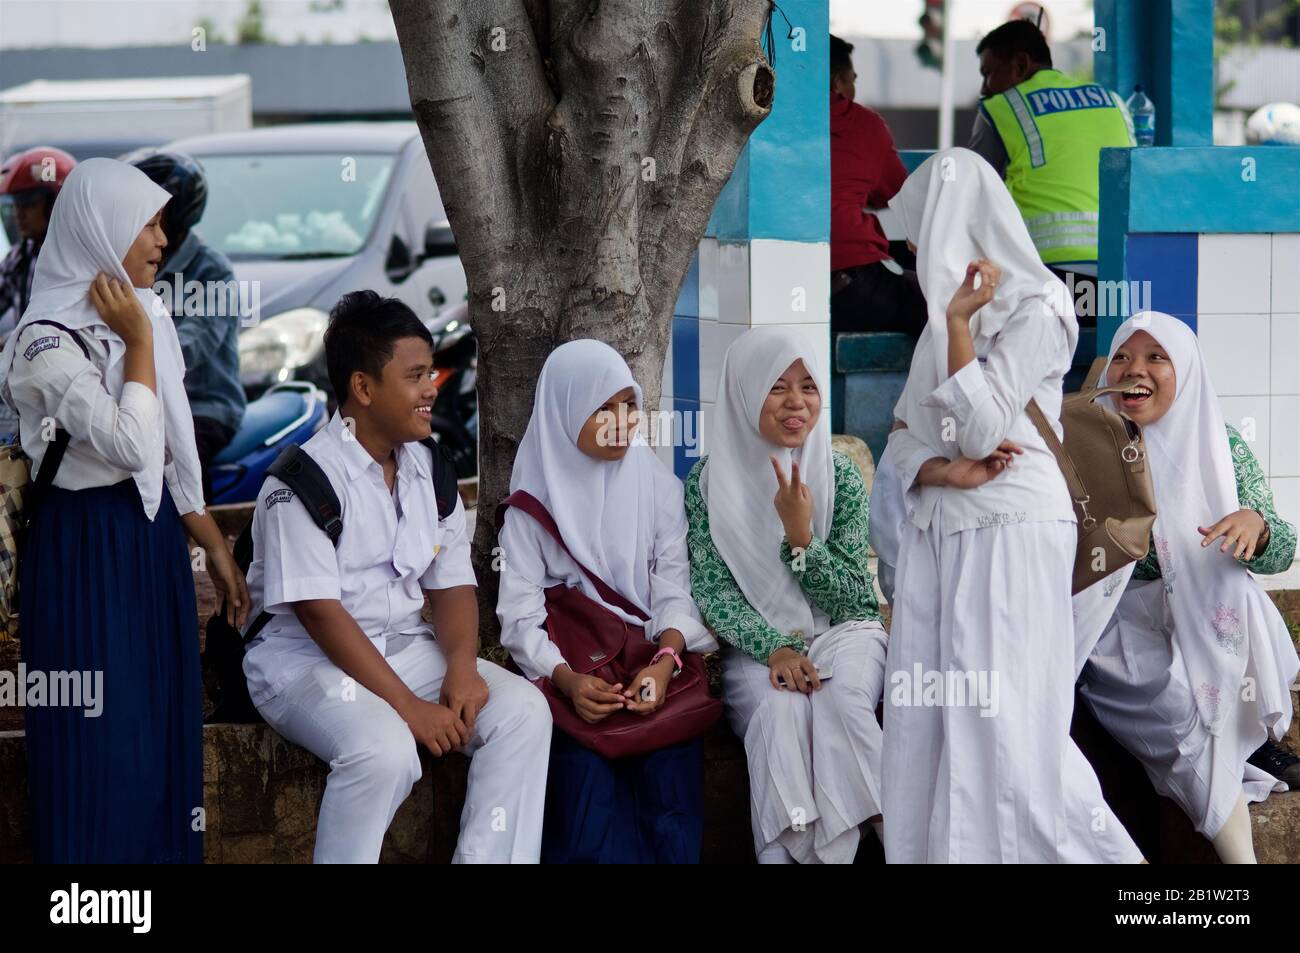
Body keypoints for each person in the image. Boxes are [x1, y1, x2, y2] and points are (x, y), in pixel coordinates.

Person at [880, 148, 1141, 863]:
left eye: (918, 230)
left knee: (1010, 734)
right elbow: (900, 442)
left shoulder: (1041, 306)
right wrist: (941, 471)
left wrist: (964, 324)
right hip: (944, 541)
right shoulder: (938, 331)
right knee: (933, 729)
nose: (909, 250)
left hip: (1013, 535)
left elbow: (986, 426)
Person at [241, 290, 551, 864]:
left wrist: (461, 671)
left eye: (429, 372)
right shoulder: (301, 483)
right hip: (302, 661)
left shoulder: (429, 467)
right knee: (383, 751)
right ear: (363, 388)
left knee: (522, 713)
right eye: (414, 376)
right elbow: (319, 615)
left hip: (405, 647)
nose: (431, 388)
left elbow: (452, 583)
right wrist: (409, 708)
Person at [1, 158, 249, 863]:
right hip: (85, 553)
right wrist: (136, 342)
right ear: (100, 227)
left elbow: (172, 444)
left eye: (163, 224)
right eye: (147, 223)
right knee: (104, 740)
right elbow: (130, 441)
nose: (163, 240)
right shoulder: (41, 341)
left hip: (150, 549)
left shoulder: (152, 308)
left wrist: (215, 545)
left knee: (162, 726)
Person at [1075, 312, 1299, 864]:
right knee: (1179, 705)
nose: (1136, 370)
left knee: (1237, 600)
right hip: (1118, 619)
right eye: (1124, 356)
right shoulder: (1085, 445)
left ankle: (1250, 746)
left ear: (1187, 371)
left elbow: (1282, 549)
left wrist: (1256, 526)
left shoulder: (1220, 444)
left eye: (1158, 358)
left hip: (1208, 611)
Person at [496, 339, 717, 863]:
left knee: (671, 797)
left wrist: (664, 664)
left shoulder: (658, 488)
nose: (622, 422)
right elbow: (519, 619)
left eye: (630, 405)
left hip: (650, 672)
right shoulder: (530, 512)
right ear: (565, 410)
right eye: (602, 408)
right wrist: (569, 681)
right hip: (574, 682)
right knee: (585, 804)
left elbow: (673, 589)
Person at [685, 326, 889, 864]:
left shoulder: (838, 473)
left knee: (840, 702)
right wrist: (775, 648)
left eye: (808, 385)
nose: (797, 402)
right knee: (780, 717)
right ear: (743, 392)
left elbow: (853, 601)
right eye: (777, 387)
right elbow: (713, 588)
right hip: (759, 645)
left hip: (844, 634)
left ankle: (901, 837)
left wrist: (802, 538)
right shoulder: (707, 483)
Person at [967, 19, 1135, 325]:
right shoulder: (1114, 102)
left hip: (1048, 289)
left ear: (1020, 64)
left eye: (988, 73)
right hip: (1122, 288)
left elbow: (968, 195)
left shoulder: (1001, 108)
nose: (984, 87)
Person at [124, 149, 246, 497]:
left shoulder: (211, 271)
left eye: (150, 212)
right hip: (142, 398)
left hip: (204, 405)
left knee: (179, 456)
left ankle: (194, 545)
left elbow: (193, 342)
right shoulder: (125, 261)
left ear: (173, 213)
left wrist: (132, 351)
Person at [830, 34, 928, 339]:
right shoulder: (863, 123)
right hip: (854, 276)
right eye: (852, 80)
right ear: (837, 82)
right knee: (946, 307)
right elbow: (897, 192)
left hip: (787, 278)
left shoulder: (774, 119)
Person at [0, 147, 77, 437]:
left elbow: (64, 325)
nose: (19, 213)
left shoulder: (77, 261)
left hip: (67, 391)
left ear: (57, 203)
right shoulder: (20, 256)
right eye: (15, 204)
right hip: (29, 383)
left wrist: (8, 341)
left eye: (29, 203)